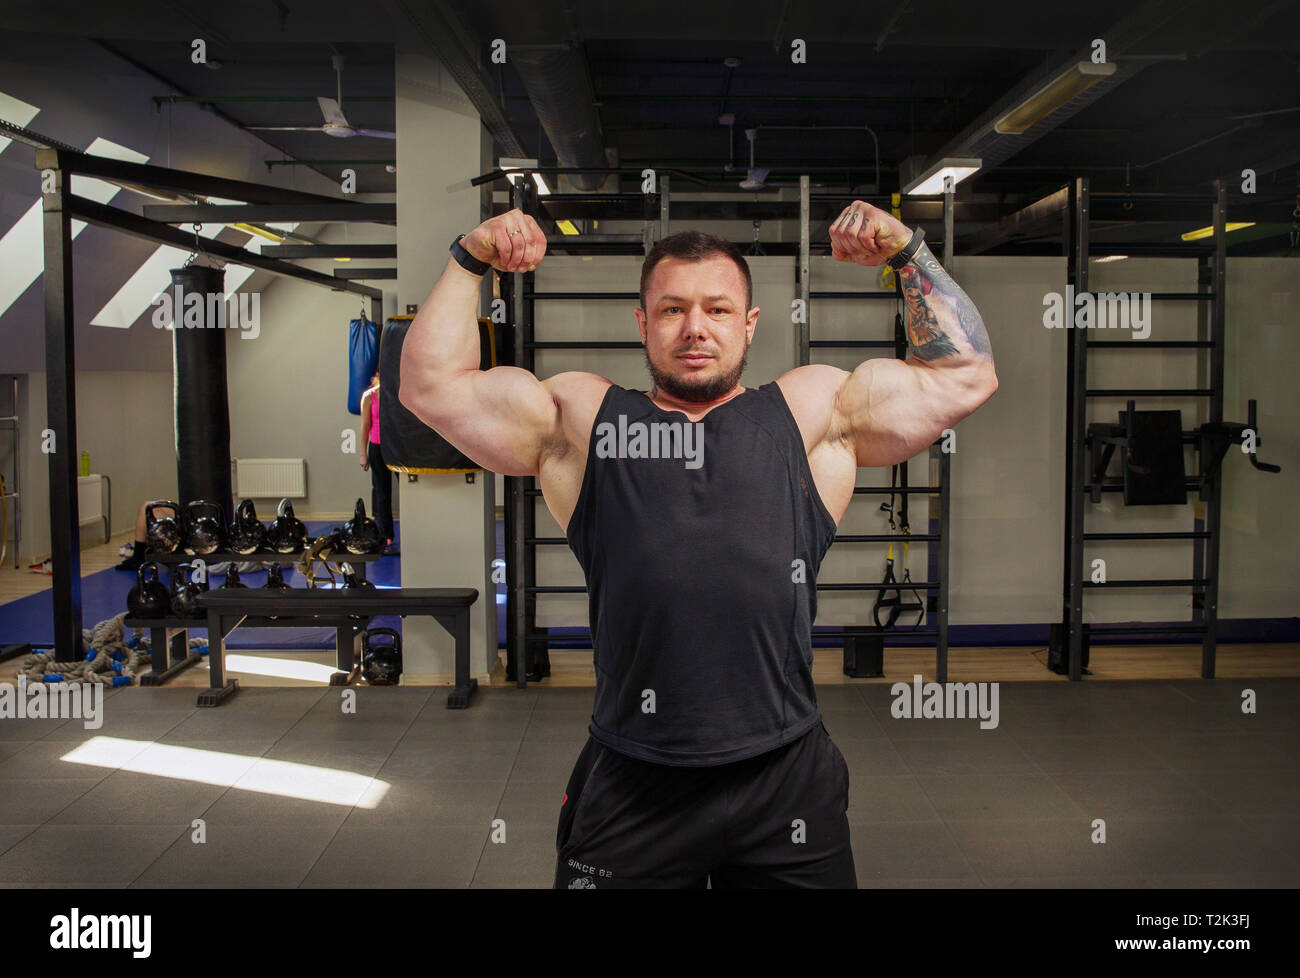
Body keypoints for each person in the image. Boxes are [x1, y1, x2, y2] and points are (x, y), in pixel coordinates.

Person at [400, 204, 997, 889]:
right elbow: (428, 388)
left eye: (717, 310)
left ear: (748, 325)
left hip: (785, 778)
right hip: (635, 780)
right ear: (643, 324)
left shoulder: (809, 413)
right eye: (672, 310)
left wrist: (908, 251)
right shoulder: (586, 419)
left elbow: (967, 375)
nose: (694, 329)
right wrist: (470, 257)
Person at [358, 373, 398, 555]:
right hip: (377, 447)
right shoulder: (369, 396)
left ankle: (415, 531)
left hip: (396, 448)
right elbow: (365, 426)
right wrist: (363, 454)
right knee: (382, 493)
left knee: (408, 492)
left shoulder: (396, 393)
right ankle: (386, 536)